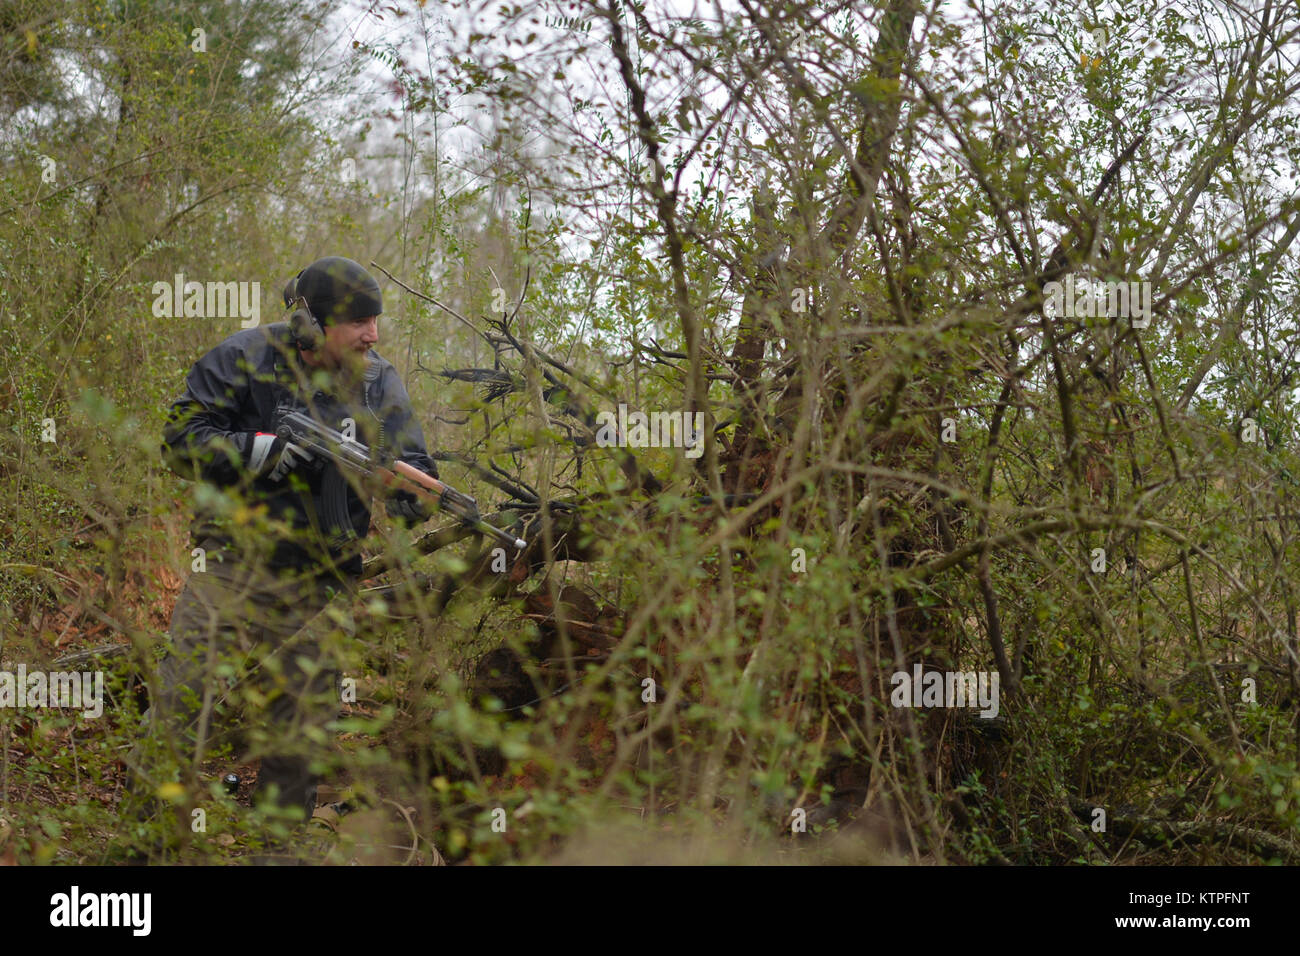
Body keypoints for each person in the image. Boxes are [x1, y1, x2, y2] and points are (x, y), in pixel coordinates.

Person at [124, 256, 437, 856]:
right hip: (227, 569)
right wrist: (252, 450)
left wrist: (398, 486)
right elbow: (179, 438)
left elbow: (418, 478)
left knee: (300, 736)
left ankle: (279, 855)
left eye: (376, 321)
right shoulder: (245, 357)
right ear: (315, 324)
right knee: (182, 707)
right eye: (359, 323)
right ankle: (139, 849)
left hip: (320, 586)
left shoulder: (378, 384)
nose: (373, 334)